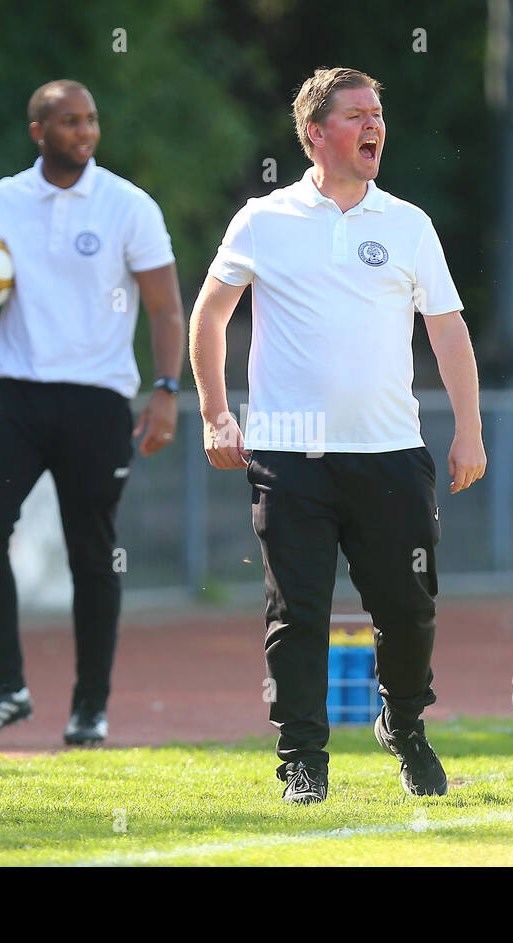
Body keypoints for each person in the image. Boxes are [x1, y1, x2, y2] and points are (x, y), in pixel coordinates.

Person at [189, 67, 487, 802]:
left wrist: (470, 431)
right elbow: (208, 318)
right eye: (356, 115)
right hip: (289, 452)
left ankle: (406, 726)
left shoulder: (409, 224)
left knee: (408, 608)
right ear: (316, 133)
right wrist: (214, 413)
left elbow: (447, 332)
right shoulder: (263, 219)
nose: (373, 126)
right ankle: (302, 762)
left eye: (378, 114)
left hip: (390, 451)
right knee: (298, 614)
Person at [0, 79, 185, 747]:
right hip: (14, 390)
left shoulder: (129, 206)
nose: (85, 131)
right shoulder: (1, 202)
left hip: (96, 397)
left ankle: (89, 707)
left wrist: (166, 389)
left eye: (91, 119)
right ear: (38, 131)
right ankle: (6, 689)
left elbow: (166, 307)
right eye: (69, 121)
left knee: (92, 554)